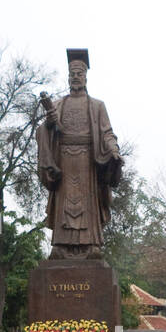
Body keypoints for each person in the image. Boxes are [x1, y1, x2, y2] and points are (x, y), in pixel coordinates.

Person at [36, 49, 124, 259]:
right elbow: (43, 130)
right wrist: (48, 124)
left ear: (85, 77)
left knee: (87, 203)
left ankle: (91, 245)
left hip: (87, 161)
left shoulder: (97, 106)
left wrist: (113, 150)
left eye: (79, 74)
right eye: (72, 74)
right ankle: (60, 246)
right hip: (64, 161)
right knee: (64, 201)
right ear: (68, 78)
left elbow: (107, 133)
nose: (75, 77)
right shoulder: (58, 105)